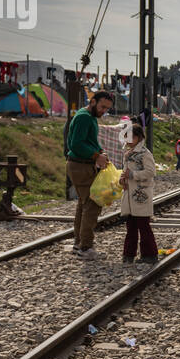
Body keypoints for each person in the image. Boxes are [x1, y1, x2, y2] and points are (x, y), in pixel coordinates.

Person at [65, 90, 113, 259]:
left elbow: (89, 141)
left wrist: (99, 151)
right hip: (81, 166)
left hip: (82, 165)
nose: (104, 111)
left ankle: (79, 244)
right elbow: (76, 144)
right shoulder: (84, 117)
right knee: (93, 205)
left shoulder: (90, 117)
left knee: (84, 205)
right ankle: (86, 247)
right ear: (93, 102)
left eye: (107, 108)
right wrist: (95, 156)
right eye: (102, 106)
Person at [118, 123, 158, 264]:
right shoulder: (128, 154)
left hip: (141, 194)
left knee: (143, 226)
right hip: (130, 194)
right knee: (131, 227)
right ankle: (128, 254)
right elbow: (126, 172)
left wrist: (132, 175)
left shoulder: (145, 154)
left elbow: (151, 172)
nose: (128, 141)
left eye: (131, 137)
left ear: (139, 137)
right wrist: (122, 179)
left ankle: (150, 254)